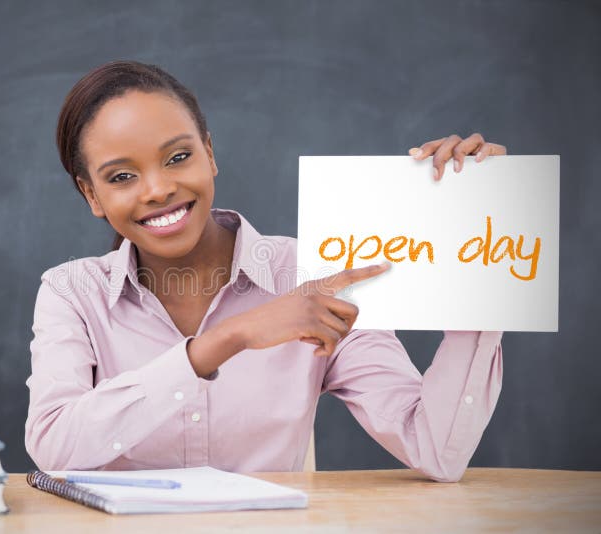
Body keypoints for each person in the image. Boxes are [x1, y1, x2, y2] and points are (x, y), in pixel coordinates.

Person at [25, 60, 506, 482]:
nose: (156, 189)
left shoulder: (318, 277)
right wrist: (227, 338)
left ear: (209, 154)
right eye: (122, 177)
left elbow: (436, 450)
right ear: (91, 195)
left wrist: (467, 263)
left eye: (178, 157)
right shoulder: (72, 293)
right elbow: (54, 445)